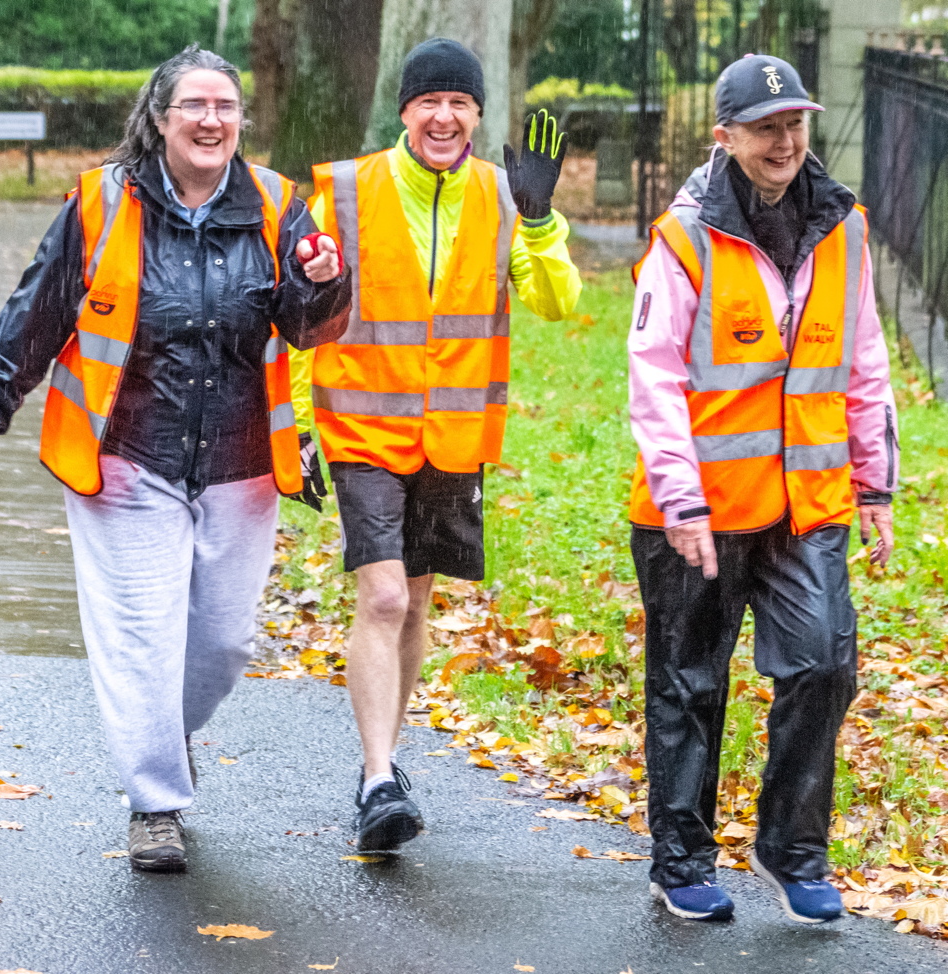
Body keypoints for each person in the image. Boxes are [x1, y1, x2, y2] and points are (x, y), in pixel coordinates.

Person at [0, 45, 350, 872]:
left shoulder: (279, 203)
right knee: (143, 637)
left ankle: (166, 738)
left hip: (243, 461)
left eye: (226, 108)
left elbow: (309, 328)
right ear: (160, 119)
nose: (212, 121)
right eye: (194, 107)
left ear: (241, 121)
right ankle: (155, 804)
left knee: (225, 643)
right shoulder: (103, 200)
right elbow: (38, 310)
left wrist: (323, 281)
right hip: (125, 456)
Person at [628, 54, 897, 924]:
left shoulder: (843, 225)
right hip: (698, 509)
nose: (786, 142)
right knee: (688, 683)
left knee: (824, 661)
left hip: (808, 502)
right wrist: (679, 498)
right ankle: (681, 860)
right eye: (766, 128)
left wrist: (876, 485)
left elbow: (864, 361)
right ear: (726, 136)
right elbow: (654, 375)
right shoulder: (685, 237)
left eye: (796, 124)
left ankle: (791, 849)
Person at [308, 37, 581, 851]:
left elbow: (559, 302)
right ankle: (377, 774)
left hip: (453, 433)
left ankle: (382, 771)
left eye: (460, 103)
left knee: (418, 601)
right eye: (430, 101)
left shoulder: (505, 195)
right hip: (360, 424)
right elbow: (299, 315)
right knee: (384, 598)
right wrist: (294, 429)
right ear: (405, 110)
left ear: (477, 114)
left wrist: (539, 220)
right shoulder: (347, 189)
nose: (444, 116)